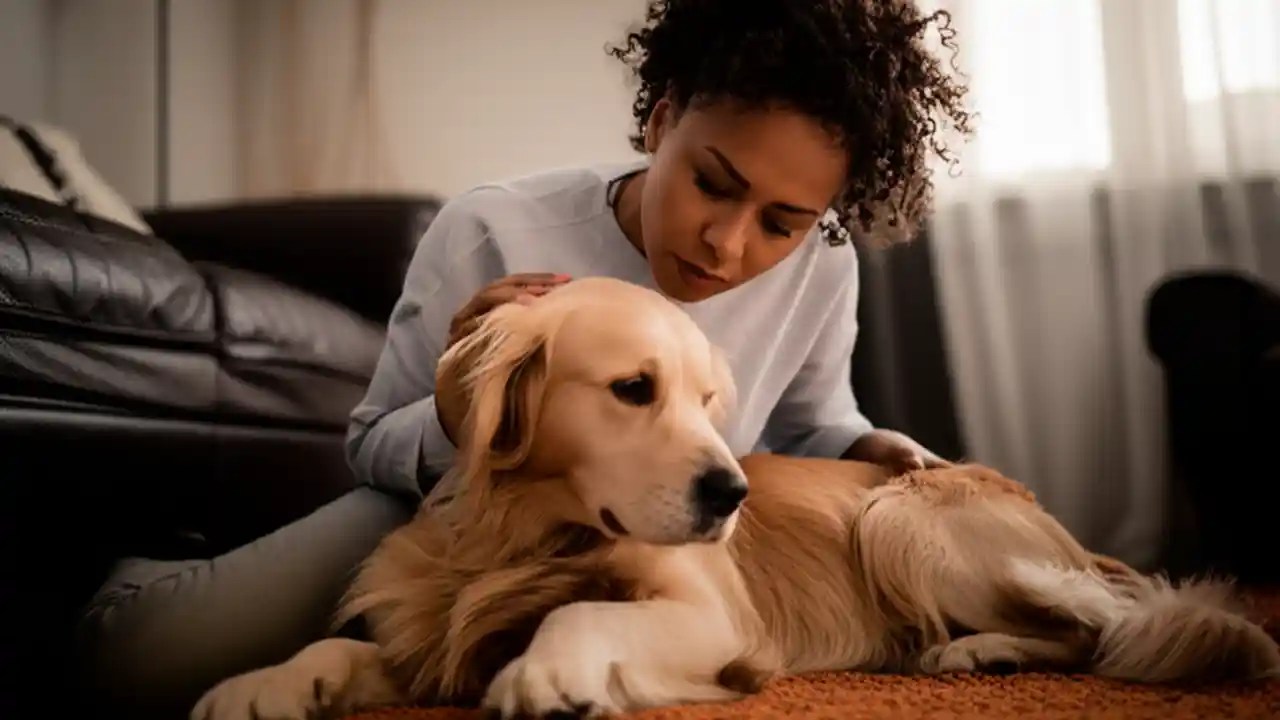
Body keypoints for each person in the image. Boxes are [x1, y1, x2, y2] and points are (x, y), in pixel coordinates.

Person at [74, 1, 971, 717]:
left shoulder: (824, 263)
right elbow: (372, 443)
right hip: (460, 517)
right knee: (128, 671)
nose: (729, 245)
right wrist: (470, 396)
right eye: (713, 183)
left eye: (782, 222)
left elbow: (812, 423)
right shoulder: (492, 228)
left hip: (643, 548)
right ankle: (152, 559)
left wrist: (868, 449)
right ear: (661, 124)